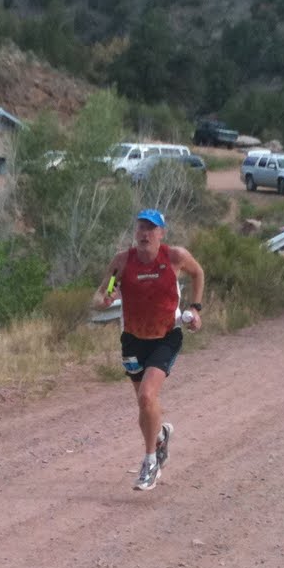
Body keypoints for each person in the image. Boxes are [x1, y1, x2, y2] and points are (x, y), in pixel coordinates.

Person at [91, 208, 205, 491]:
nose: (145, 233)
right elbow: (101, 293)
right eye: (141, 227)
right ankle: (160, 436)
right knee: (145, 406)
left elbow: (198, 273)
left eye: (151, 228)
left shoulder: (174, 257)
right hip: (132, 340)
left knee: (146, 395)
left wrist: (195, 308)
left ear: (161, 233)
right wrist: (105, 299)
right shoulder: (122, 262)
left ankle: (150, 463)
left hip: (166, 335)